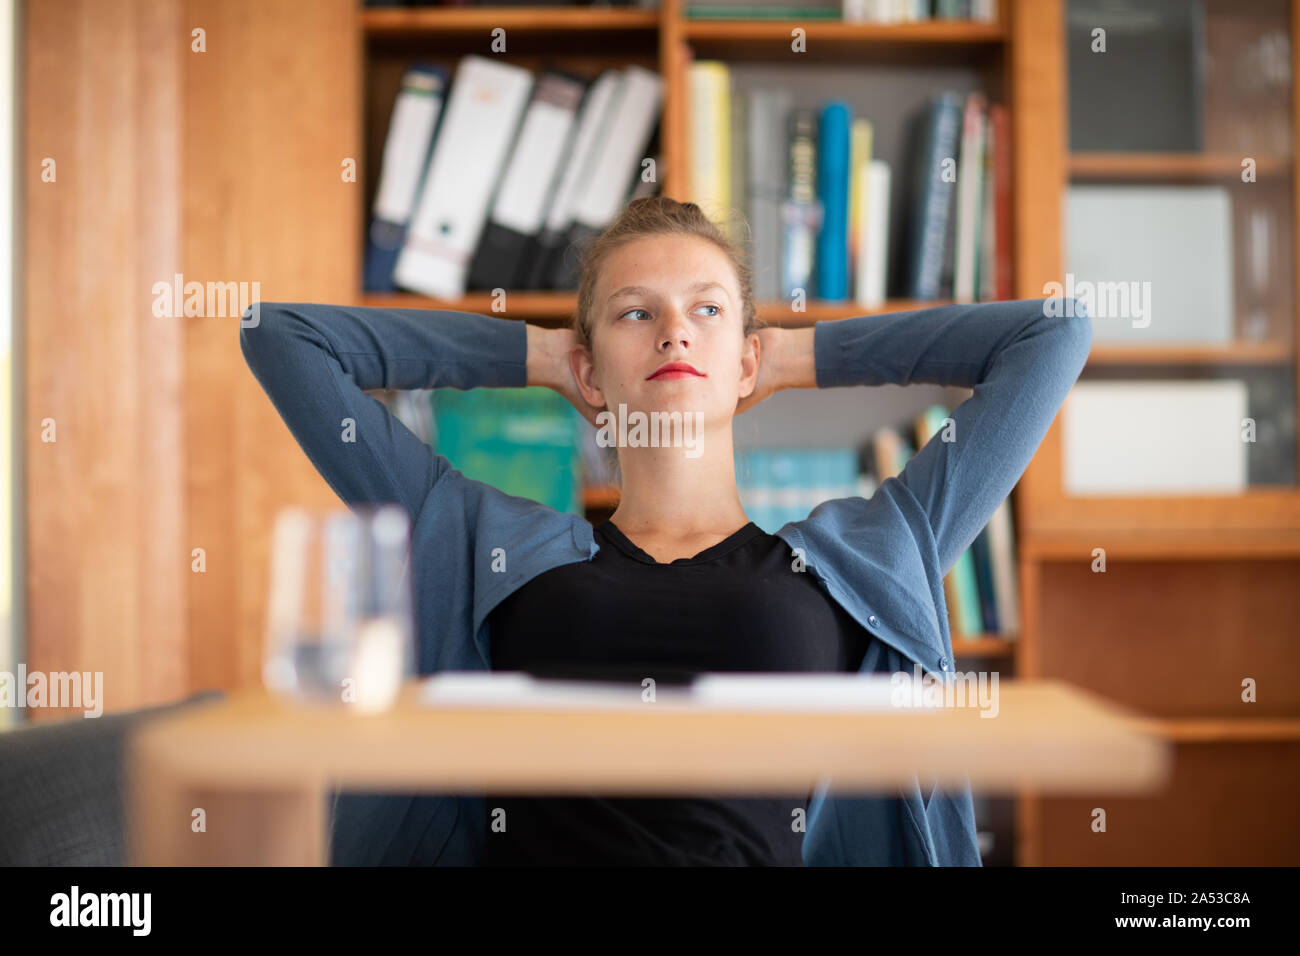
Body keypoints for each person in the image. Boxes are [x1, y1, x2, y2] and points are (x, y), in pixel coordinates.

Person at [240, 196, 1093, 866]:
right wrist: (540, 356)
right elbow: (281, 336)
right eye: (635, 315)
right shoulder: (476, 537)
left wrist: (794, 356)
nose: (676, 330)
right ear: (590, 368)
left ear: (748, 360)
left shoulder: (869, 552)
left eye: (707, 311)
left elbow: (1052, 334)